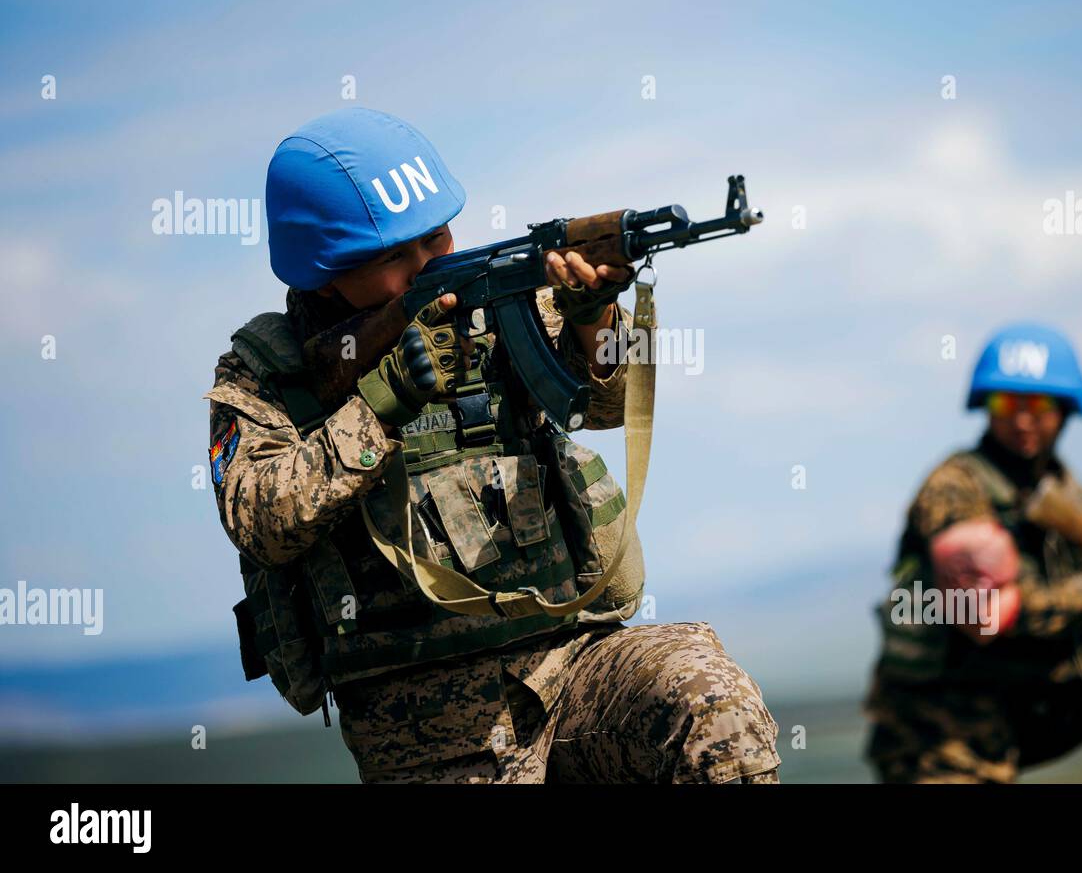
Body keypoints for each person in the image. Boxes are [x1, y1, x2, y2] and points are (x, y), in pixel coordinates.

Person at [206, 107, 780, 783]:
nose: (428, 263)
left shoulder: (495, 303)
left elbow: (609, 405)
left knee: (711, 706)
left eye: (438, 238)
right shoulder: (267, 373)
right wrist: (382, 404)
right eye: (396, 257)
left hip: (576, 660)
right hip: (425, 726)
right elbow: (262, 521)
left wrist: (596, 315)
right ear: (322, 272)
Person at [863, 323, 1082, 783]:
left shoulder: (1069, 499)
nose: (1022, 420)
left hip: (1020, 707)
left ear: (1065, 411)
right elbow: (981, 613)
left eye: (1040, 406)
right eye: (1006, 404)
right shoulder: (954, 489)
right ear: (985, 408)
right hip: (937, 729)